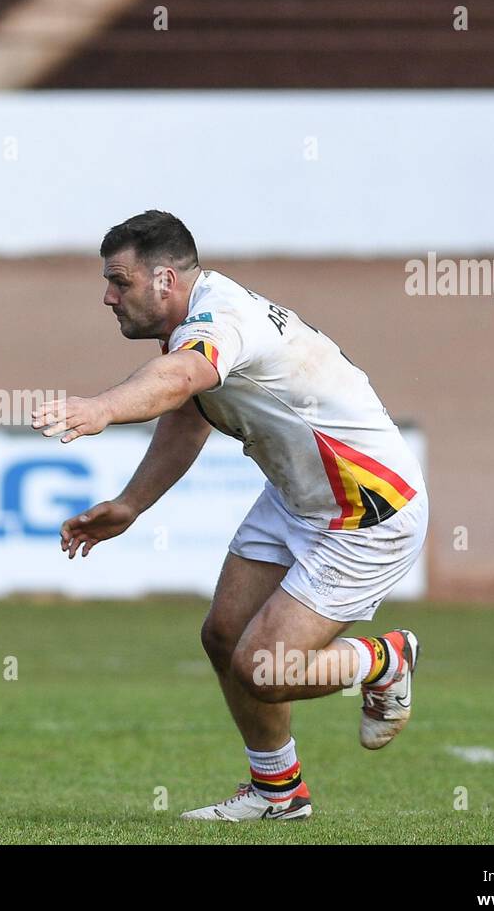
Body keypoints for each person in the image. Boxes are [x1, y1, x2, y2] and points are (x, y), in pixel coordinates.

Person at [31, 211, 428, 822]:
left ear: (165, 280)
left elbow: (181, 377)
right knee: (222, 636)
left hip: (367, 508)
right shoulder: (191, 325)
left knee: (263, 670)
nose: (109, 297)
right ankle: (278, 794)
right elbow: (189, 412)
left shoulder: (221, 319)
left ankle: (385, 659)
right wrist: (131, 504)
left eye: (119, 281)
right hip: (299, 498)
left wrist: (102, 408)